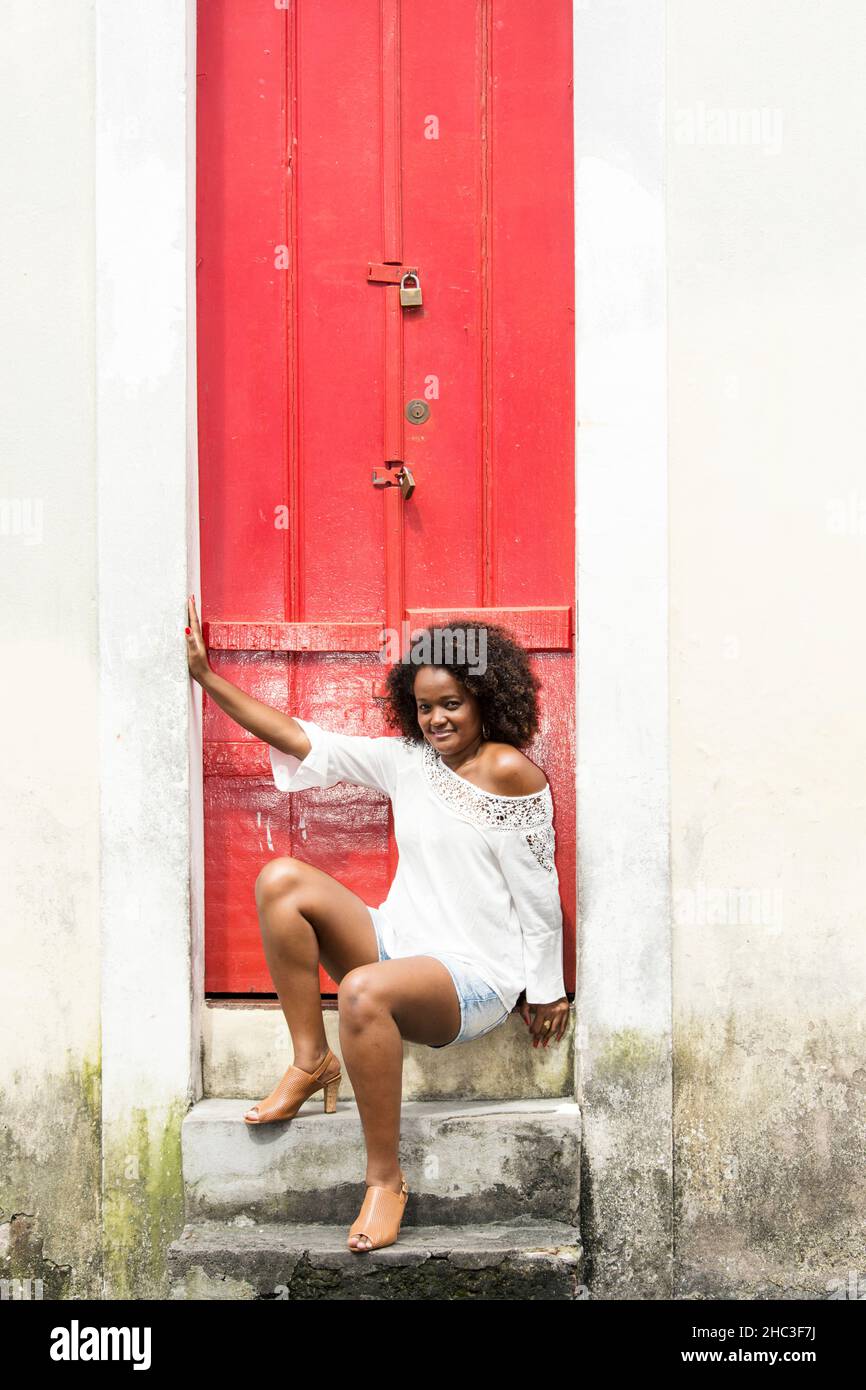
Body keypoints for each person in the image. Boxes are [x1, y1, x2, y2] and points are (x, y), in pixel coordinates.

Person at [185, 596, 569, 1252]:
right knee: (281, 880)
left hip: (472, 976)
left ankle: (385, 1180)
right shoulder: (408, 762)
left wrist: (546, 987)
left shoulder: (508, 771)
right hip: (402, 942)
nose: (437, 718)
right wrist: (209, 679)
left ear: (482, 698)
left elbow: (539, 891)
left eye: (451, 702)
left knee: (363, 988)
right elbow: (302, 738)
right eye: (424, 706)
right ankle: (311, 1062)